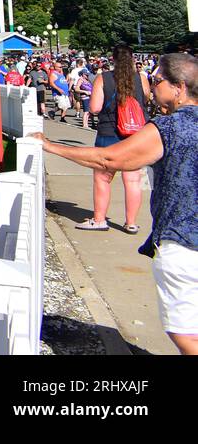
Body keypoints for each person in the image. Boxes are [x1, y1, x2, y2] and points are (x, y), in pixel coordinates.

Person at [35, 52, 198, 355]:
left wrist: (49, 146)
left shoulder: (171, 127)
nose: (152, 85)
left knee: (186, 332)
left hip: (184, 243)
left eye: (157, 80)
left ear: (180, 88)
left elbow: (110, 158)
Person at [76, 44, 152, 233]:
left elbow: (94, 108)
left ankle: (100, 219)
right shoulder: (141, 78)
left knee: (102, 179)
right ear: (133, 58)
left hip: (108, 133)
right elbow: (147, 100)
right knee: (133, 180)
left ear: (113, 59)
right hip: (135, 136)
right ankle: (131, 223)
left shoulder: (104, 78)